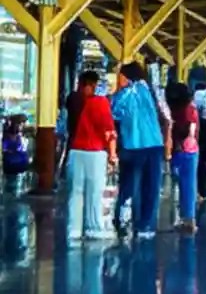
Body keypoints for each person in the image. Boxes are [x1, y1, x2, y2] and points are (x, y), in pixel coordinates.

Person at [110, 62, 166, 238]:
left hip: (133, 146)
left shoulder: (129, 92)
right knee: (151, 186)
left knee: (130, 185)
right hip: (154, 144)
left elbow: (114, 111)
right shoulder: (150, 90)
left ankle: (126, 221)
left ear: (126, 76)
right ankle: (145, 225)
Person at [65, 71, 117, 241]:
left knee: (76, 192)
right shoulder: (100, 103)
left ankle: (73, 229)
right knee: (94, 192)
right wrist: (112, 154)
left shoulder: (72, 100)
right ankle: (93, 228)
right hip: (95, 152)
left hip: (75, 151)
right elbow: (109, 130)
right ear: (93, 85)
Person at [165, 82, 199, 234]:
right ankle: (188, 219)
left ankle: (179, 217)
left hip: (177, 150)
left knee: (176, 184)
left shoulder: (173, 111)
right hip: (190, 150)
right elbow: (192, 129)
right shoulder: (190, 109)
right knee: (189, 185)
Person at [1, 113, 30, 192]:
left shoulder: (7, 135)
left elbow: (5, 148)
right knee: (13, 181)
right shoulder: (19, 136)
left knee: (10, 181)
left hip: (9, 162)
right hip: (19, 161)